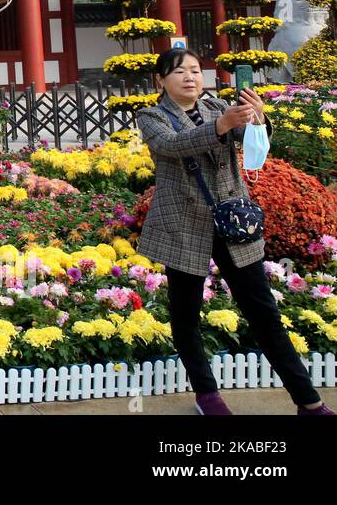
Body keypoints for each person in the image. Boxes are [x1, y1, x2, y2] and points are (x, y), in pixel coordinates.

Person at [135, 47, 333, 416]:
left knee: (264, 312)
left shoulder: (216, 108)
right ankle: (207, 395)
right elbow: (172, 145)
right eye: (179, 72)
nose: (190, 77)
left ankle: (309, 401)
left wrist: (257, 119)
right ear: (161, 80)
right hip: (183, 225)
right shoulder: (151, 115)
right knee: (186, 313)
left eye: (195, 69)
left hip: (232, 223)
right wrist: (222, 126)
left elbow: (250, 141)